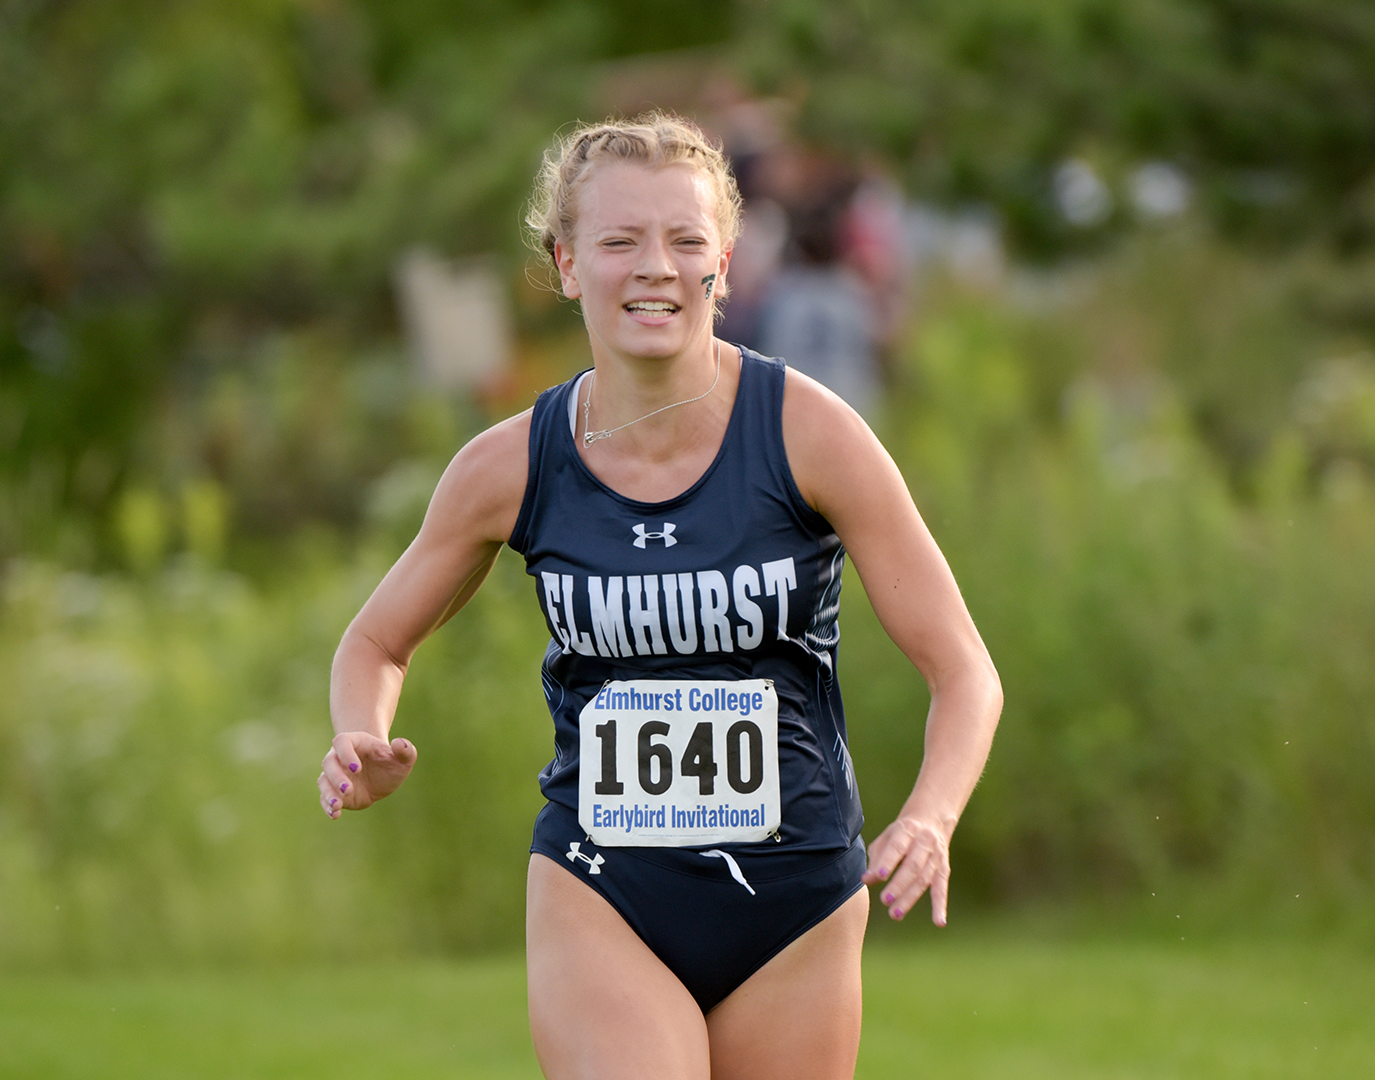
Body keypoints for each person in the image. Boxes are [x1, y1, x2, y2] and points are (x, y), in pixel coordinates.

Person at [318, 113, 1002, 1080]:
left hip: (796, 895)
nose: (657, 267)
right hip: (604, 885)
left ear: (724, 260)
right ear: (564, 262)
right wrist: (359, 733)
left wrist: (930, 817)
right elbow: (376, 644)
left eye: (686, 241)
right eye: (619, 241)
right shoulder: (509, 465)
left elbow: (963, 670)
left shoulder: (812, 434)